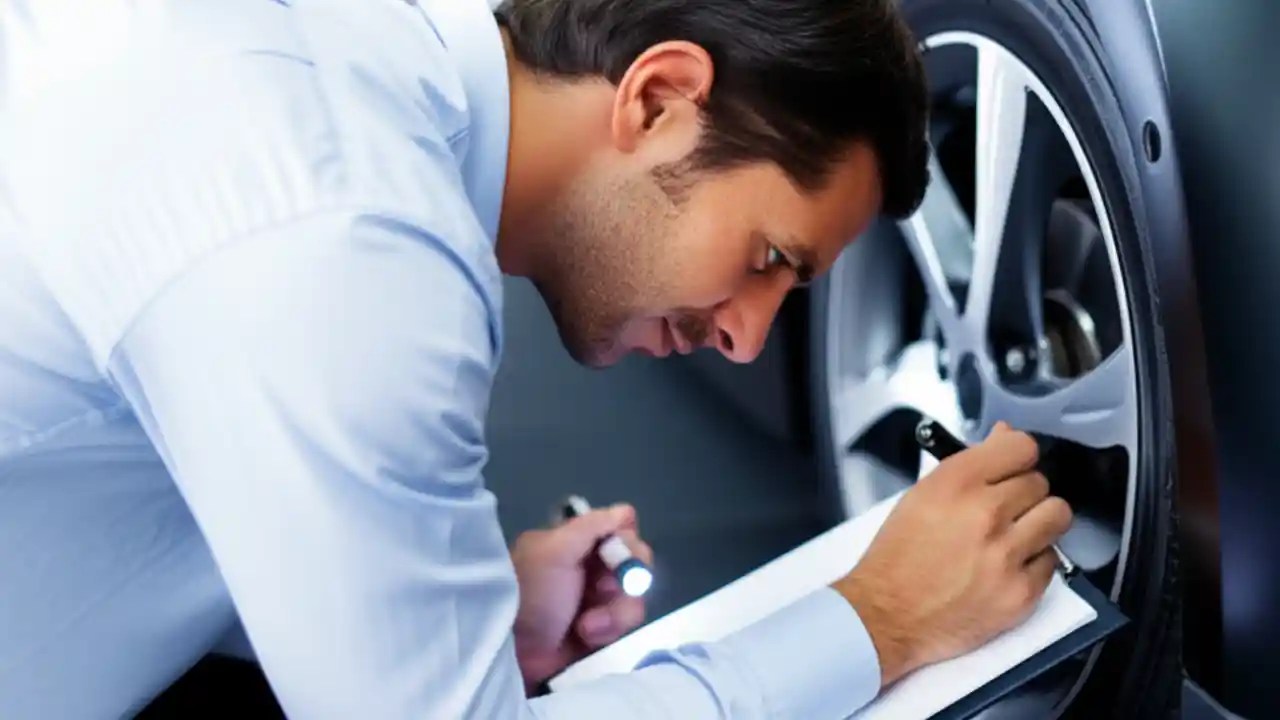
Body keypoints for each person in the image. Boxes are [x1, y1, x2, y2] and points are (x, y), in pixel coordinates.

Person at [0, 0, 1074, 717]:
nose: (748, 338)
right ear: (657, 100)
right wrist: (881, 620)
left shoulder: (342, 78)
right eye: (767, 259)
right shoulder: (343, 248)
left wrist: (445, 612)